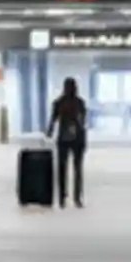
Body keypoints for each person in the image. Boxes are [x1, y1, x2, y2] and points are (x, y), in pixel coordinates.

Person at [46, 78, 87, 208]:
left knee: (62, 169)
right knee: (77, 169)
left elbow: (53, 120)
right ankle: (76, 198)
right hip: (77, 139)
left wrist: (50, 131)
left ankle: (62, 198)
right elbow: (83, 121)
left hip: (64, 139)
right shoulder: (79, 102)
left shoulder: (59, 102)